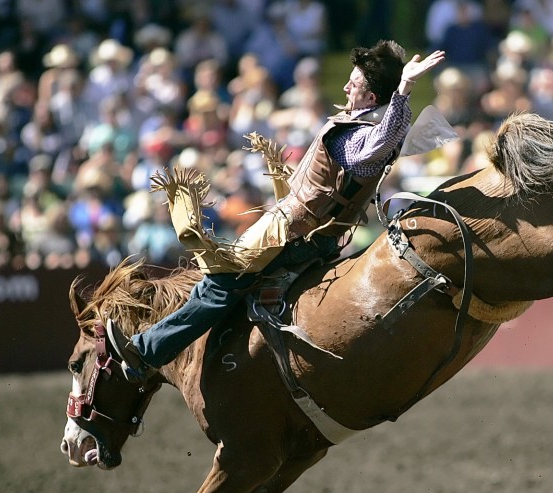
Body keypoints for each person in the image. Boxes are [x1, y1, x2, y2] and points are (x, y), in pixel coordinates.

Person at [107, 41, 445, 381]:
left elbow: (373, 147)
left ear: (372, 99)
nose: (345, 87)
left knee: (218, 287)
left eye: (354, 84)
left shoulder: (357, 136)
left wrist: (404, 89)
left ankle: (145, 353)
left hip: (295, 234)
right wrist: (402, 93)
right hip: (311, 233)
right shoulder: (373, 127)